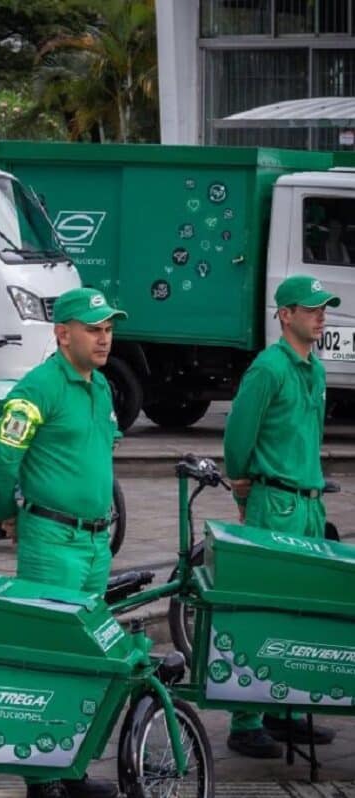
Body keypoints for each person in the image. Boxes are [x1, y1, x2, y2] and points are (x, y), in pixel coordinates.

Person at [0, 286, 124, 798]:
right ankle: (41, 778)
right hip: (51, 541)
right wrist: (5, 516)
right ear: (63, 334)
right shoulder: (37, 388)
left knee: (85, 661)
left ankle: (73, 768)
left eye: (108, 329)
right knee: (47, 659)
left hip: (94, 545)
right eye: (93, 329)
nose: (104, 338)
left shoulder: (101, 388)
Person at [221, 274, 338, 758]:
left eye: (323, 308)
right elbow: (237, 435)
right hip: (277, 503)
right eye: (311, 308)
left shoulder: (316, 369)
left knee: (303, 612)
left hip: (309, 505)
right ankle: (244, 721)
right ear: (284, 315)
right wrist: (242, 482)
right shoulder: (268, 369)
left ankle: (283, 711)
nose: (321, 315)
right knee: (264, 608)